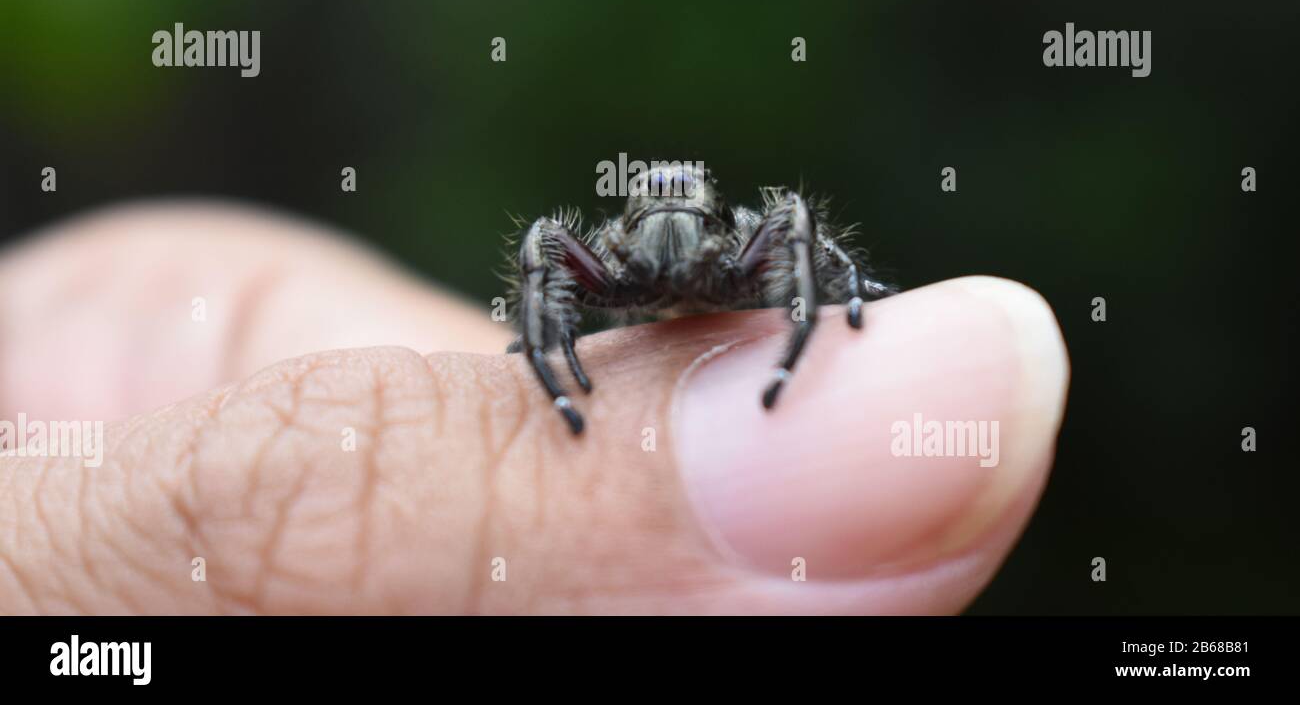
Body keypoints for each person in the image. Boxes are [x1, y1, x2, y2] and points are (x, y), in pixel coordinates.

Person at [0, 202, 1068, 614]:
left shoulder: (735, 251)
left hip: (755, 313)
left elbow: (795, 229)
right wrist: (551, 372)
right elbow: (541, 262)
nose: (661, 231)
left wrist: (818, 327)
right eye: (640, 213)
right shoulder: (595, 263)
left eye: (679, 211)